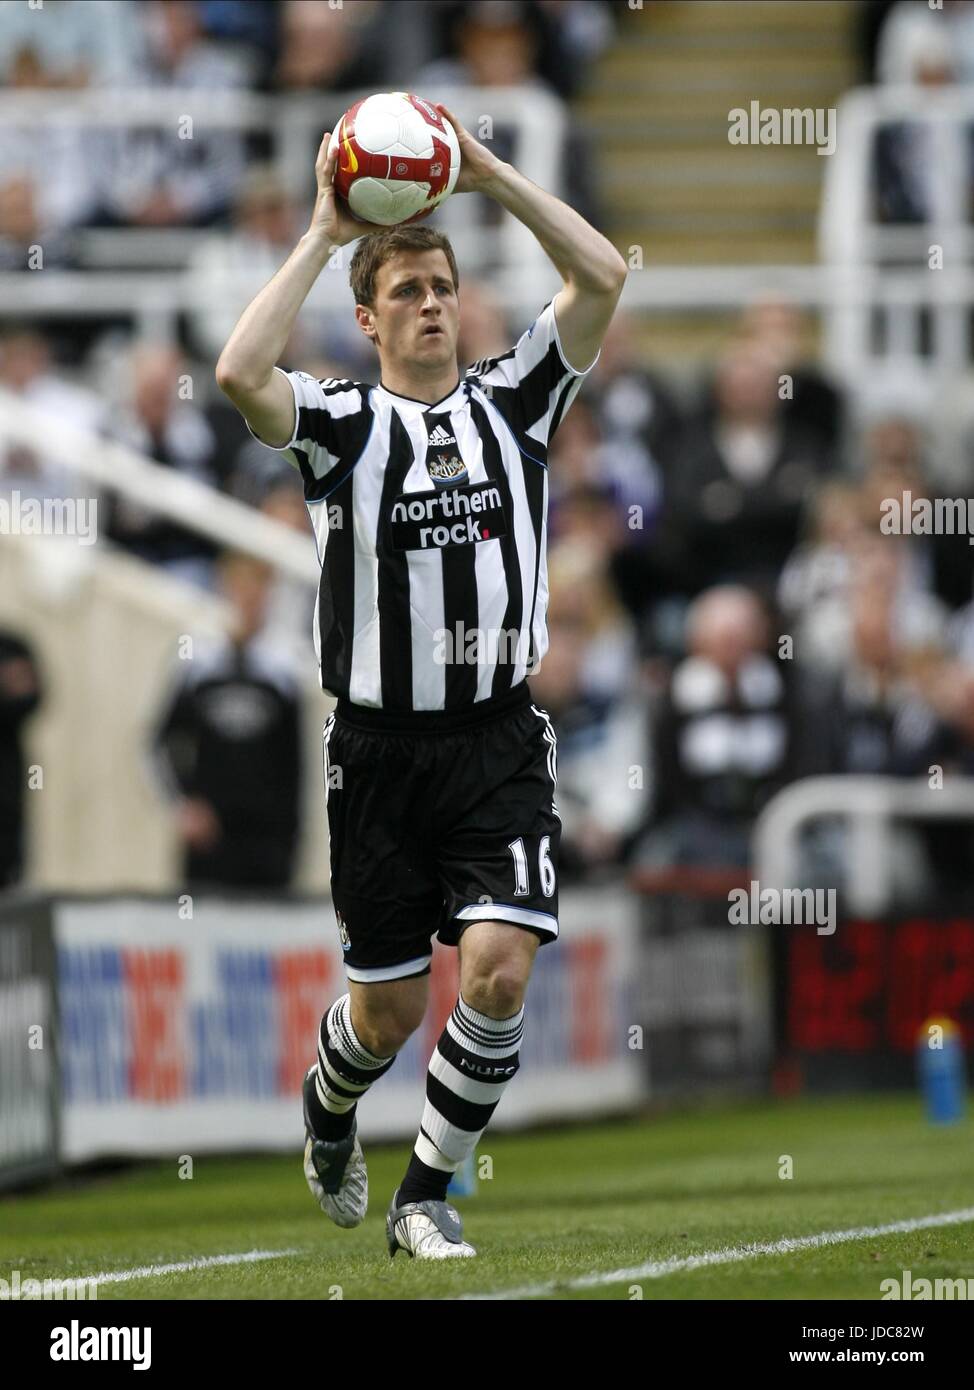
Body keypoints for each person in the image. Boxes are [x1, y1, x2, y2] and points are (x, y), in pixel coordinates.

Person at [216, 104, 626, 1258]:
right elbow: (240, 368)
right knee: (387, 1013)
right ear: (368, 318)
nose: (431, 303)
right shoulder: (340, 426)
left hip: (496, 738)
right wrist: (316, 230)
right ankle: (329, 1103)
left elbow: (599, 274)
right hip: (378, 753)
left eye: (441, 285)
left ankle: (424, 1193)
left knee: (497, 974)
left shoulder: (517, 399)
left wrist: (487, 173)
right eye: (405, 291)